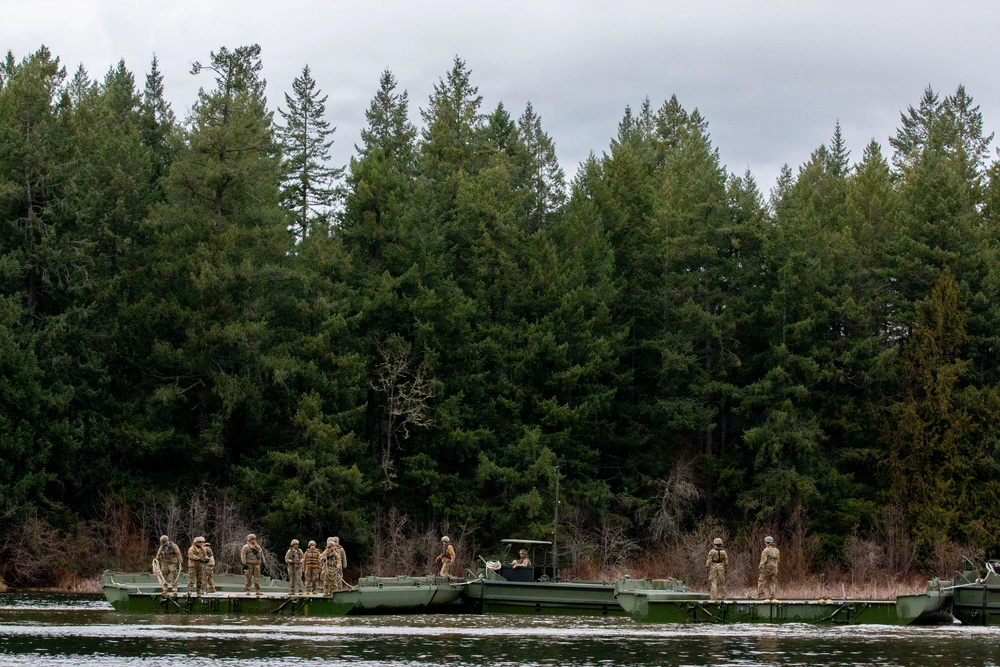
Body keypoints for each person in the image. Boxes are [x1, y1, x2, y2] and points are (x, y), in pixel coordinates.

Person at [757, 536, 780, 600]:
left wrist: (761, 567)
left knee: (762, 580)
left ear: (766, 543)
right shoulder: (777, 550)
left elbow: (763, 560)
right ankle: (772, 596)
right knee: (772, 582)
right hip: (774, 568)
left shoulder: (766, 550)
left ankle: (760, 595)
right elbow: (778, 560)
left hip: (767, 568)